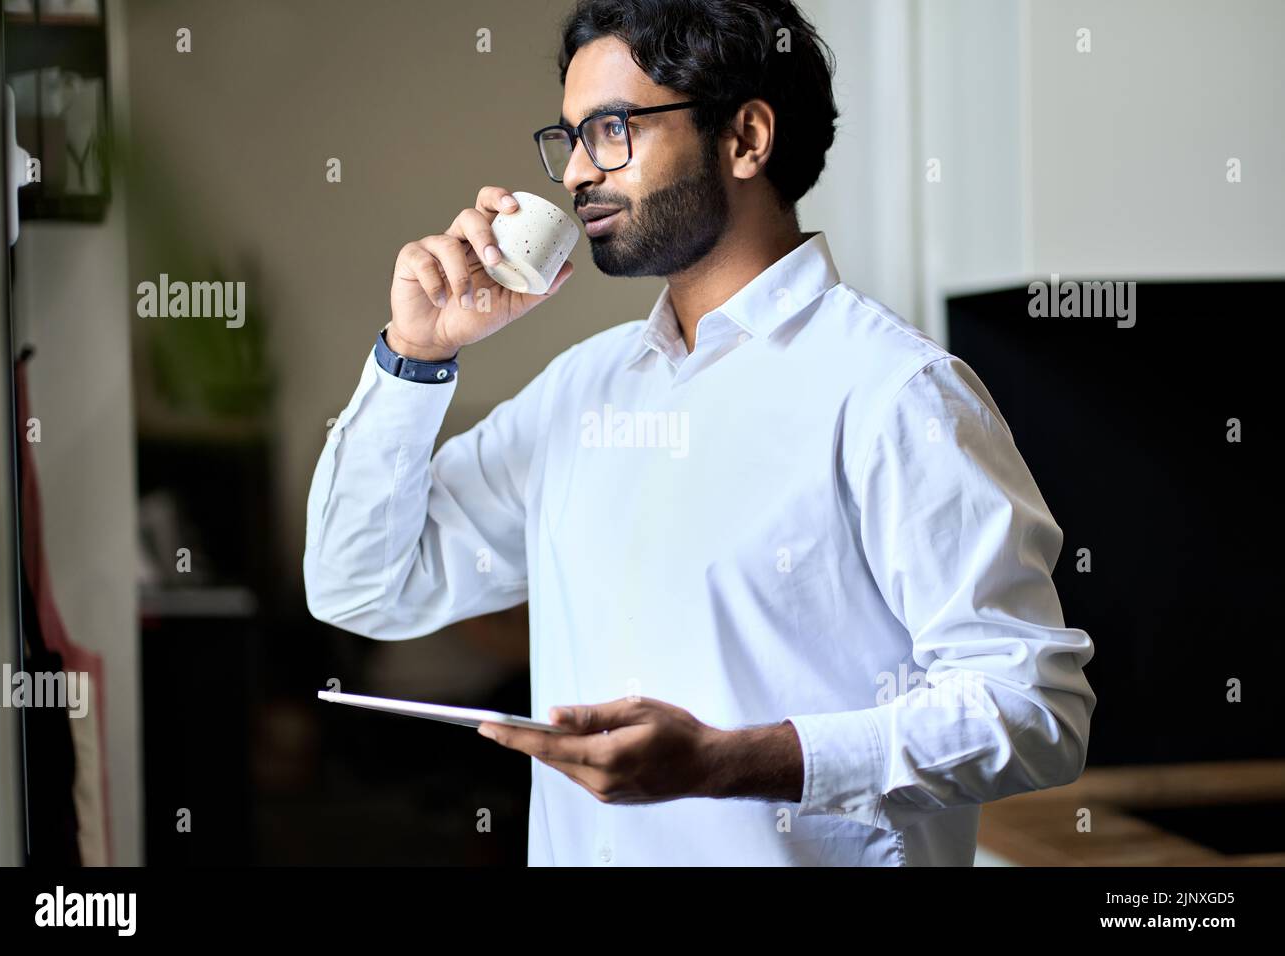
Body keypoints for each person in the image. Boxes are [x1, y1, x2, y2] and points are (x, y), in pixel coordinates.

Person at [304, 0, 1096, 866]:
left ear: (746, 139)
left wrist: (730, 763)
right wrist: (415, 355)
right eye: (570, 138)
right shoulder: (579, 391)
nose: (575, 174)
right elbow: (359, 588)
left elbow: (1034, 709)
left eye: (612, 129)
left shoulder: (895, 394)